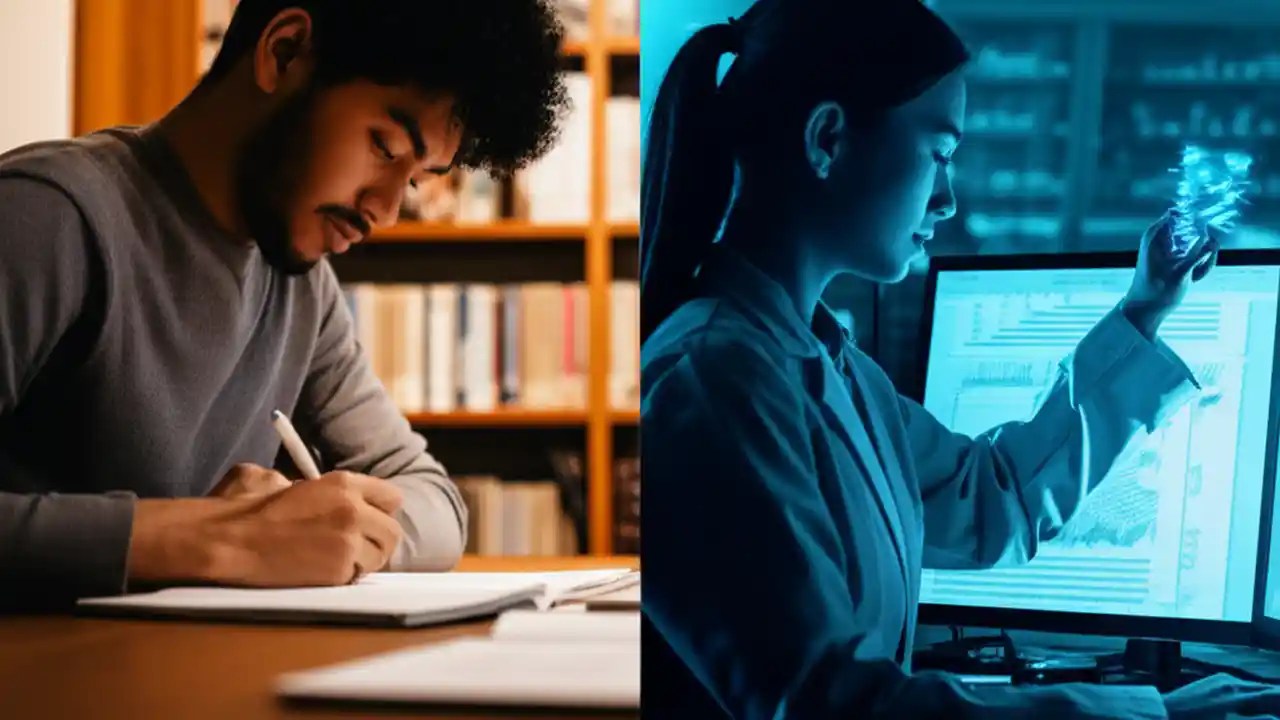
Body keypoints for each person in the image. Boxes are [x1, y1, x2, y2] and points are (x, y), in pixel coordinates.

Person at [639, 1, 1280, 717]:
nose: (948, 200)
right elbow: (832, 704)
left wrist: (1143, 309)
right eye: (940, 154)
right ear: (827, 139)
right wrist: (1152, 714)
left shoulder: (835, 371)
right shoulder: (711, 383)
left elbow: (991, 499)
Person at [0, 0, 568, 608]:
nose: (385, 211)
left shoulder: (302, 285)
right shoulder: (46, 217)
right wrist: (218, 541)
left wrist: (326, 528)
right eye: (384, 146)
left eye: (413, 180)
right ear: (284, 52)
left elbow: (434, 500)